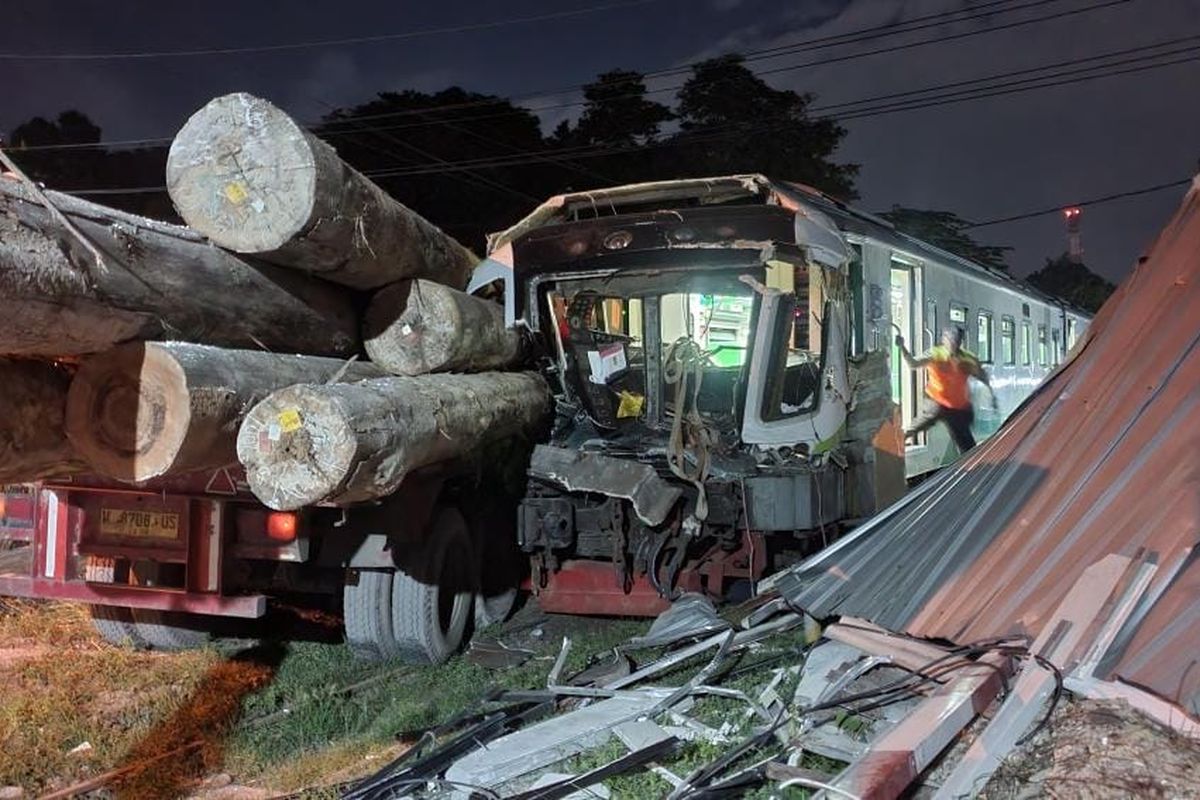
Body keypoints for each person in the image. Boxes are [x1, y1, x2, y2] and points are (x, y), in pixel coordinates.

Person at [895, 326, 997, 453]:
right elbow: (913, 364)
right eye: (951, 339)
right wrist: (902, 348)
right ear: (944, 340)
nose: (954, 343)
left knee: (965, 441)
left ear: (960, 342)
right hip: (936, 400)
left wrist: (992, 397)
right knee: (927, 418)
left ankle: (969, 462)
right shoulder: (936, 354)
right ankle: (901, 438)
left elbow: (982, 376)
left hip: (958, 407)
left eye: (957, 340)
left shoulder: (967, 359)